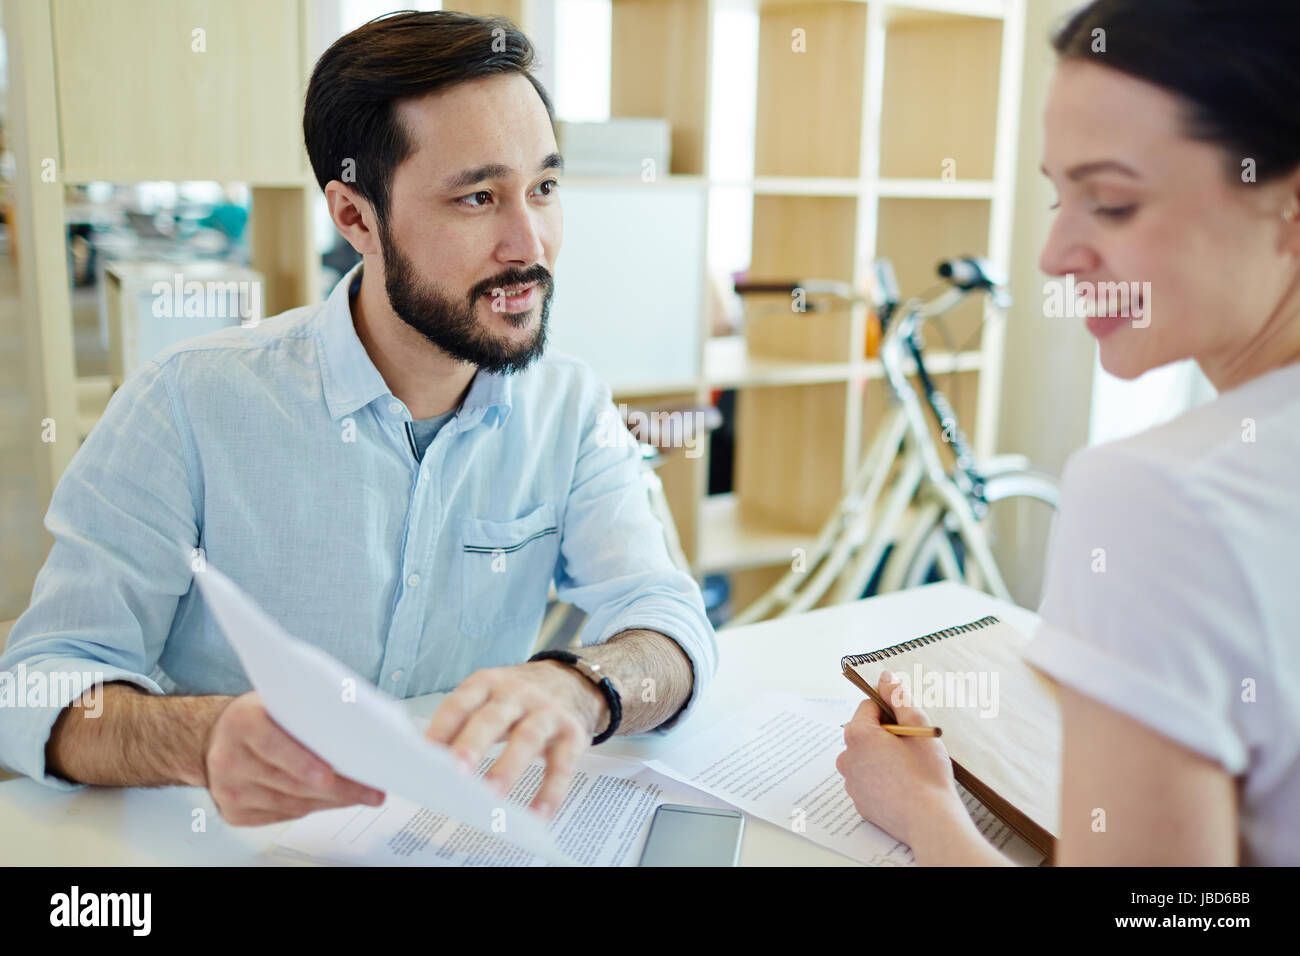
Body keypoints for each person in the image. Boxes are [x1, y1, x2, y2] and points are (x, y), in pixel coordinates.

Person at [0, 10, 716, 827]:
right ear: (354, 218)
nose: (530, 244)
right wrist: (198, 739)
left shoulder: (570, 407)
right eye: (478, 197)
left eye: (544, 189)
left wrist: (583, 687)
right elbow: (38, 682)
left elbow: (671, 623)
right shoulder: (186, 405)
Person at [837, 0, 1300, 866]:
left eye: (1113, 203)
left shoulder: (1160, 494)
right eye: (1058, 197)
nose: (1052, 254)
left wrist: (926, 809)